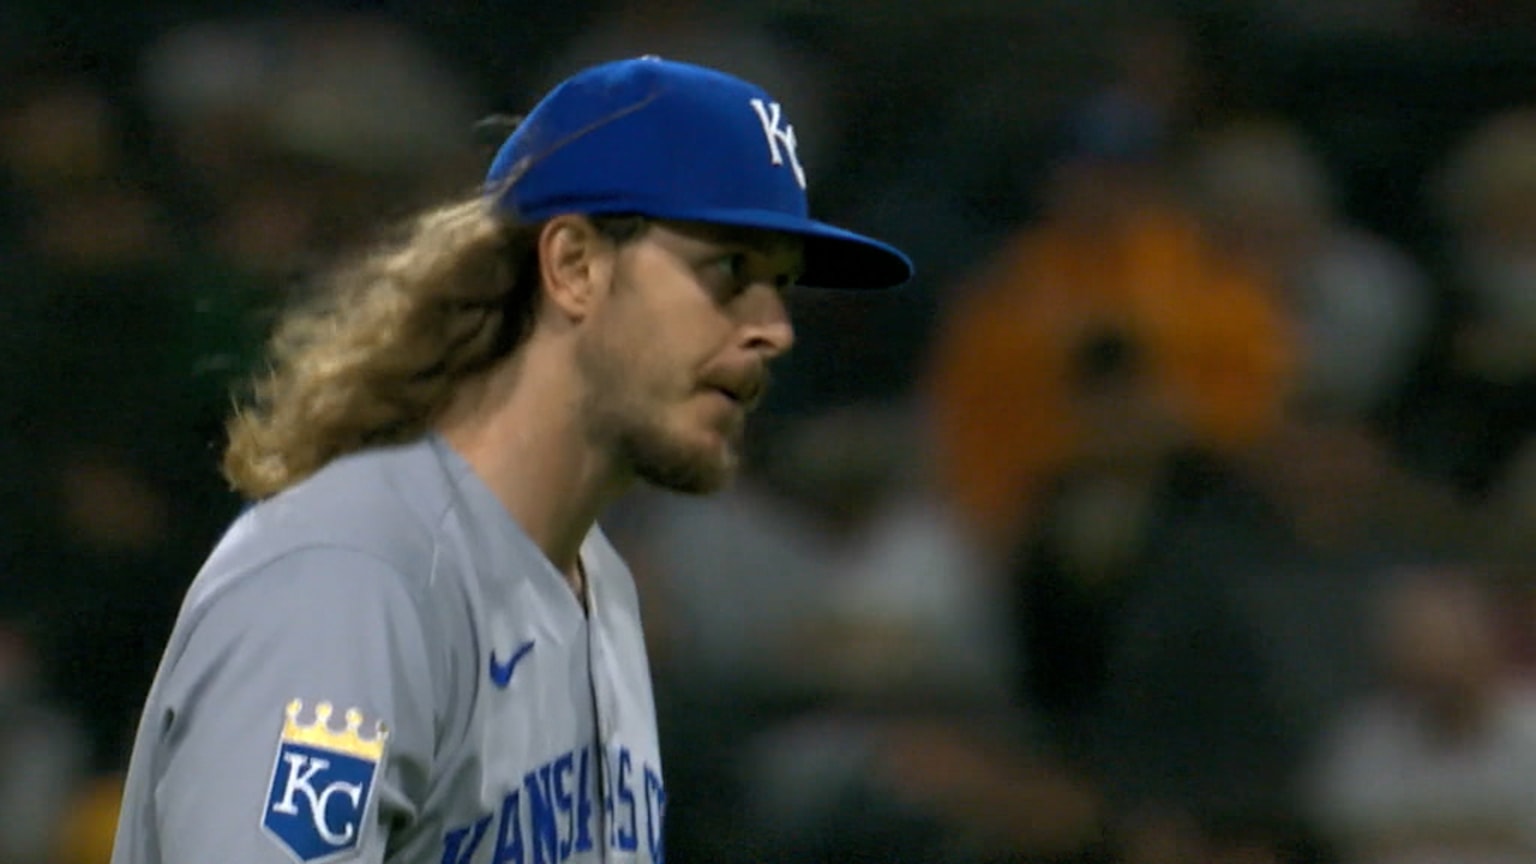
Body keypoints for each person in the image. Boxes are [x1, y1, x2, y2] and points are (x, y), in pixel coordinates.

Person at [108, 56, 912, 864]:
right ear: (574, 265)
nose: (776, 328)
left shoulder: (601, 587)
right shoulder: (352, 580)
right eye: (731, 271)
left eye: (783, 283)